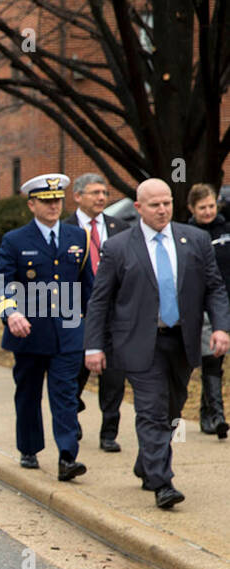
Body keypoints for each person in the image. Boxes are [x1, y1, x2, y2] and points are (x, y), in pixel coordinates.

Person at [85, 179, 230, 509]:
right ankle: (162, 482)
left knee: (172, 409)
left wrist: (221, 327)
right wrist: (93, 346)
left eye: (167, 203)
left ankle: (146, 463)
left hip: (183, 341)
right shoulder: (120, 247)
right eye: (154, 204)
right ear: (138, 208)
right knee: (151, 409)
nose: (162, 209)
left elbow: (215, 288)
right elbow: (100, 301)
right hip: (139, 343)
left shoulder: (194, 239)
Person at [0, 174, 93, 480]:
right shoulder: (15, 240)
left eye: (57, 201)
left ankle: (66, 456)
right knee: (29, 394)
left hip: (69, 333)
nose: (53, 206)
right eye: (46, 201)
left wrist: (97, 330)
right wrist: (11, 313)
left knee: (66, 394)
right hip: (29, 333)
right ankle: (29, 448)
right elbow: (0, 282)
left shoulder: (78, 238)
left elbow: (88, 288)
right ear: (32, 204)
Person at [71, 173, 129, 452]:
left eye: (104, 193)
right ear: (78, 196)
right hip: (78, 317)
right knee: (73, 378)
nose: (101, 198)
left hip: (114, 317)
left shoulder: (120, 227)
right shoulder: (65, 229)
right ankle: (71, 419)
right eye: (94, 192)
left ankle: (109, 433)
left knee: (114, 378)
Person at [186, 182, 230, 438]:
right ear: (192, 208)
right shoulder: (187, 235)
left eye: (211, 205)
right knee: (211, 358)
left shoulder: (226, 230)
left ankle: (206, 414)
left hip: (226, 304)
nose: (208, 211)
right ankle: (218, 416)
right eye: (202, 207)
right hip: (202, 307)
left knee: (216, 359)